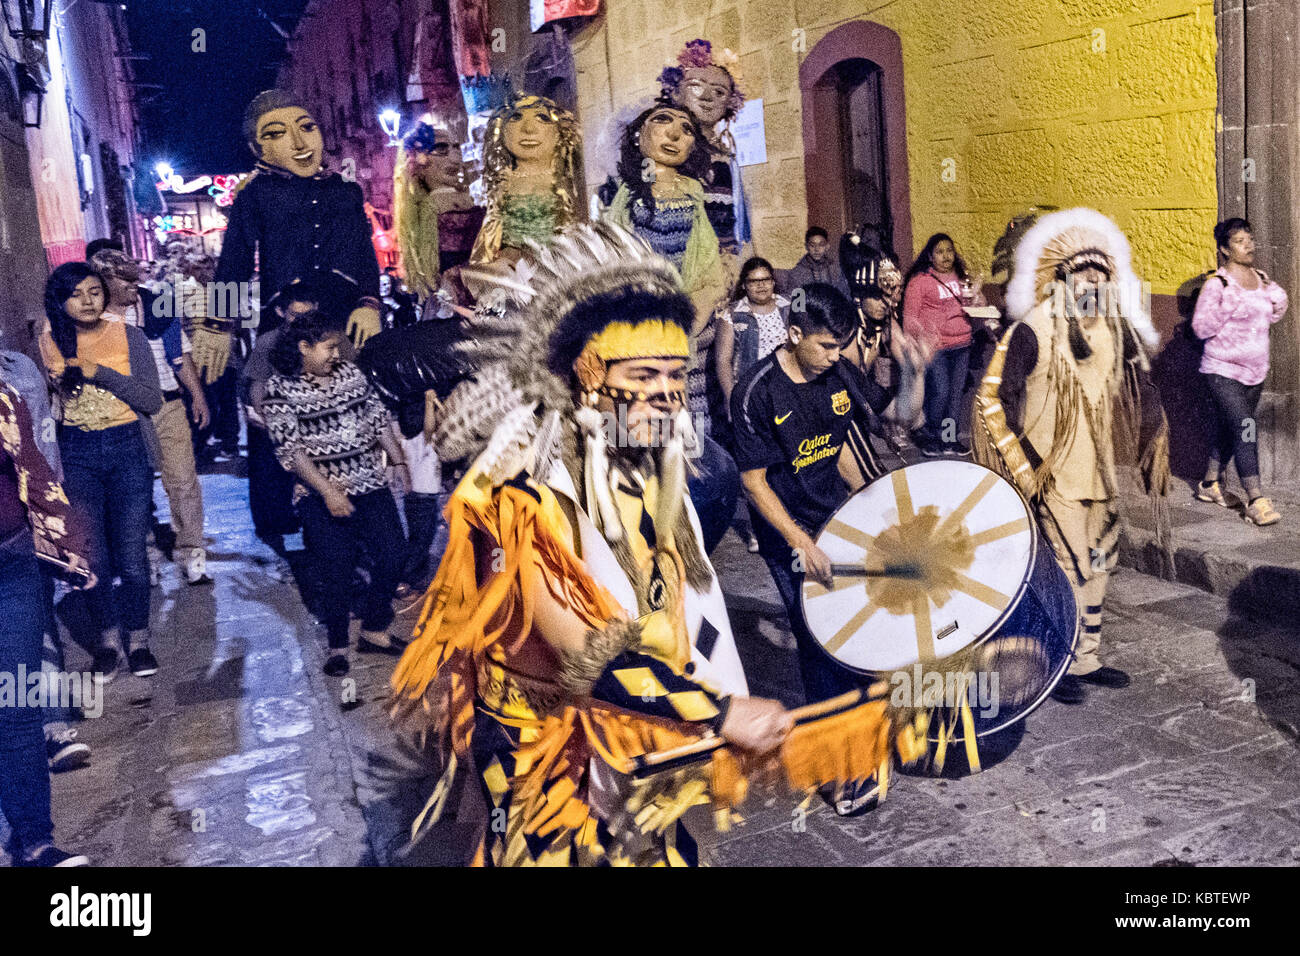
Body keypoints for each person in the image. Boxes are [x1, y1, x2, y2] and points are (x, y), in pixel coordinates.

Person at [730, 282, 927, 814]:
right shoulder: (756, 391)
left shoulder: (836, 370)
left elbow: (886, 424)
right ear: (794, 335)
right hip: (786, 531)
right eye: (824, 346)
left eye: (841, 346)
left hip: (836, 517)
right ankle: (836, 766)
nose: (835, 356)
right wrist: (799, 541)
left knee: (863, 624)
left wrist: (914, 372)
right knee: (817, 636)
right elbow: (753, 482)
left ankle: (873, 728)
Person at [971, 208, 1169, 705]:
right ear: (1062, 276)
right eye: (1083, 273)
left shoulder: (1114, 327)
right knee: (1066, 566)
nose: (1093, 282)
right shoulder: (1032, 328)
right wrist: (1023, 467)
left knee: (1100, 564)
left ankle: (1088, 657)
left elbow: (1139, 385)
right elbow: (990, 399)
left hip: (1099, 474)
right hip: (1052, 476)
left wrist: (1155, 434)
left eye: (1101, 274)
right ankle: (1058, 661)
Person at [202, 89, 383, 399]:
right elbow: (235, 259)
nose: (300, 143)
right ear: (256, 148)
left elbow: (364, 254)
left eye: (307, 128)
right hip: (283, 320)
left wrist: (370, 305)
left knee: (357, 402)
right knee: (284, 405)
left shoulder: (345, 191)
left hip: (346, 317)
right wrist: (217, 324)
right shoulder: (254, 195)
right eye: (277, 134)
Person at [262, 310, 409, 677]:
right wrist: (328, 492)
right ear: (303, 347)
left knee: (394, 555)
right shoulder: (280, 389)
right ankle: (338, 645)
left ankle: (375, 628)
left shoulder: (350, 375)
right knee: (337, 570)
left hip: (370, 484)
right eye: (329, 347)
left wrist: (399, 461)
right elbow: (290, 451)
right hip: (319, 495)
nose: (336, 355)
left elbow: (376, 419)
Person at [38, 263, 162, 681]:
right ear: (61, 301)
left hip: (127, 446)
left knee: (131, 555)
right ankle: (109, 642)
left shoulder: (130, 335)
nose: (89, 300)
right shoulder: (48, 342)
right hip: (77, 453)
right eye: (77, 294)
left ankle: (140, 640)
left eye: (95, 291)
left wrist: (99, 373)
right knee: (93, 556)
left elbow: (152, 400)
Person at [0, 381, 93, 866]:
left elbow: (33, 472)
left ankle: (35, 841)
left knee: (16, 706)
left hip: (10, 563)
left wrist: (67, 537)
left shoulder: (2, 395)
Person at [92, 249, 213, 585]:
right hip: (122, 412)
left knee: (184, 482)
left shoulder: (158, 305)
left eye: (136, 276)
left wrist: (197, 396)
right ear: (105, 281)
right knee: (134, 490)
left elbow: (180, 355)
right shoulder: (94, 316)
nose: (135, 283)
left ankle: (194, 557)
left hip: (168, 403)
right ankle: (147, 558)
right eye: (125, 278)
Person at [240, 273, 360, 567]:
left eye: (309, 314)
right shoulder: (270, 342)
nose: (303, 321)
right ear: (281, 312)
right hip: (288, 429)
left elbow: (354, 378)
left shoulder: (334, 338)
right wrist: (274, 425)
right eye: (296, 315)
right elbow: (258, 387)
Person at [1191, 217, 1288, 525]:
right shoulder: (1216, 285)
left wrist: (1274, 295)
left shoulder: (1260, 278)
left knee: (1230, 428)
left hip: (1255, 371)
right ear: (1224, 249)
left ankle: (1209, 483)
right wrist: (1227, 306)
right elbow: (1201, 328)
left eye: (1250, 239)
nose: (1249, 245)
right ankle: (1256, 499)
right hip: (1222, 371)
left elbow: (1273, 313)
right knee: (1246, 426)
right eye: (1240, 241)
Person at [601, 99, 728, 326]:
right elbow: (611, 253)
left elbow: (707, 257)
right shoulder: (628, 191)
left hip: (686, 310)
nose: (674, 134)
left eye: (686, 129)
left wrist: (696, 309)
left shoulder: (693, 191)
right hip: (636, 312)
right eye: (662, 120)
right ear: (639, 132)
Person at [714, 257, 791, 552]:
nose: (761, 286)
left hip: (785, 395)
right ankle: (757, 529)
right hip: (750, 399)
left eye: (766, 280)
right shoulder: (732, 315)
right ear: (745, 285)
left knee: (785, 462)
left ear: (773, 281)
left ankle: (787, 523)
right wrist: (732, 401)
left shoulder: (789, 307)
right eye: (754, 281)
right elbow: (722, 362)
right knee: (755, 466)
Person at [658, 38, 752, 257]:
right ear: (675, 93)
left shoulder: (726, 155)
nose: (707, 97)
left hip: (723, 259)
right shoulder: (666, 150)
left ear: (731, 102)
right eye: (696, 86)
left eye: (719, 92)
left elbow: (736, 214)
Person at [468, 93, 582, 266]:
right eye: (516, 118)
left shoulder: (567, 180)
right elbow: (490, 235)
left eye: (542, 118)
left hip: (563, 265)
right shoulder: (503, 183)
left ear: (559, 132)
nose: (529, 129)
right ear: (502, 130)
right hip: (515, 270)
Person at [901, 233, 986, 457]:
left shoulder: (962, 278)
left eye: (949, 250)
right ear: (930, 256)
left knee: (955, 395)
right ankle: (931, 436)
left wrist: (979, 301)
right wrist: (925, 335)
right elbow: (909, 318)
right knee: (940, 392)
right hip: (936, 347)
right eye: (939, 251)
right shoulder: (920, 281)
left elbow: (977, 304)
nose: (946, 256)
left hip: (962, 344)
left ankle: (949, 439)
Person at [781, 227, 850, 297]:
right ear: (806, 246)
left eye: (821, 245)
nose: (817, 249)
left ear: (827, 246)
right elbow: (794, 302)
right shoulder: (797, 273)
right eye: (812, 245)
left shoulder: (836, 270)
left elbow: (845, 296)